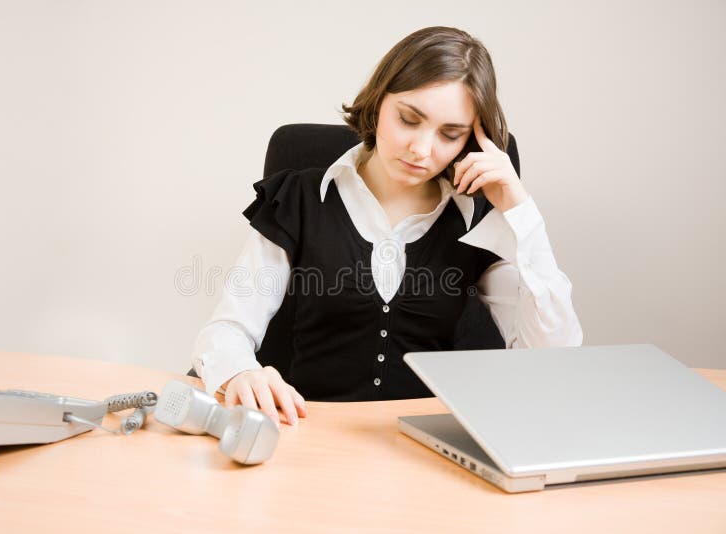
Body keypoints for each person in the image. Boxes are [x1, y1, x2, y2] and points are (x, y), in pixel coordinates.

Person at [190, 26, 583, 427]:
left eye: (450, 134)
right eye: (409, 119)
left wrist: (521, 211)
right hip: (312, 437)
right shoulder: (300, 199)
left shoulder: (478, 220)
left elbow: (549, 360)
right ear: (379, 103)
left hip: (425, 449)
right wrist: (240, 370)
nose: (422, 149)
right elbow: (226, 329)